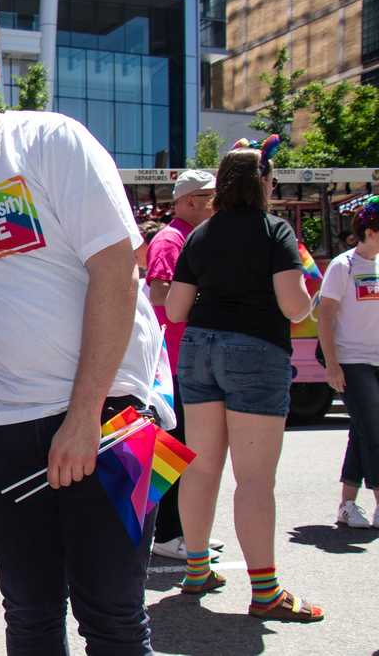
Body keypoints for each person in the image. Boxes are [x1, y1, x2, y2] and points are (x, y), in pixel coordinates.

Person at [0, 0, 164, 653]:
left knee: (115, 618)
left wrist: (83, 413)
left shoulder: (51, 140)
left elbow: (116, 271)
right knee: (31, 618)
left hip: (114, 414)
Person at [166, 142, 323, 622]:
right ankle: (266, 591)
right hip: (255, 348)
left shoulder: (201, 234)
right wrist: (310, 303)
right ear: (263, 185)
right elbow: (294, 306)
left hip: (198, 350)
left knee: (200, 466)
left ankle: (197, 570)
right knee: (254, 478)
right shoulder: (275, 231)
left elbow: (174, 309)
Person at [146, 170, 224, 561]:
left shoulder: (187, 237)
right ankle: (167, 533)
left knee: (188, 450)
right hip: (172, 364)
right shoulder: (170, 239)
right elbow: (159, 291)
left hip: (188, 360)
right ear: (190, 201)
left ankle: (187, 531)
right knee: (175, 451)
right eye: (211, 197)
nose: (217, 204)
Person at [319, 196, 379, 529]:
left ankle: (347, 504)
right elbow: (325, 317)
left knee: (362, 431)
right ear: (370, 232)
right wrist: (332, 365)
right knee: (374, 432)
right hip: (352, 360)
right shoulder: (344, 266)